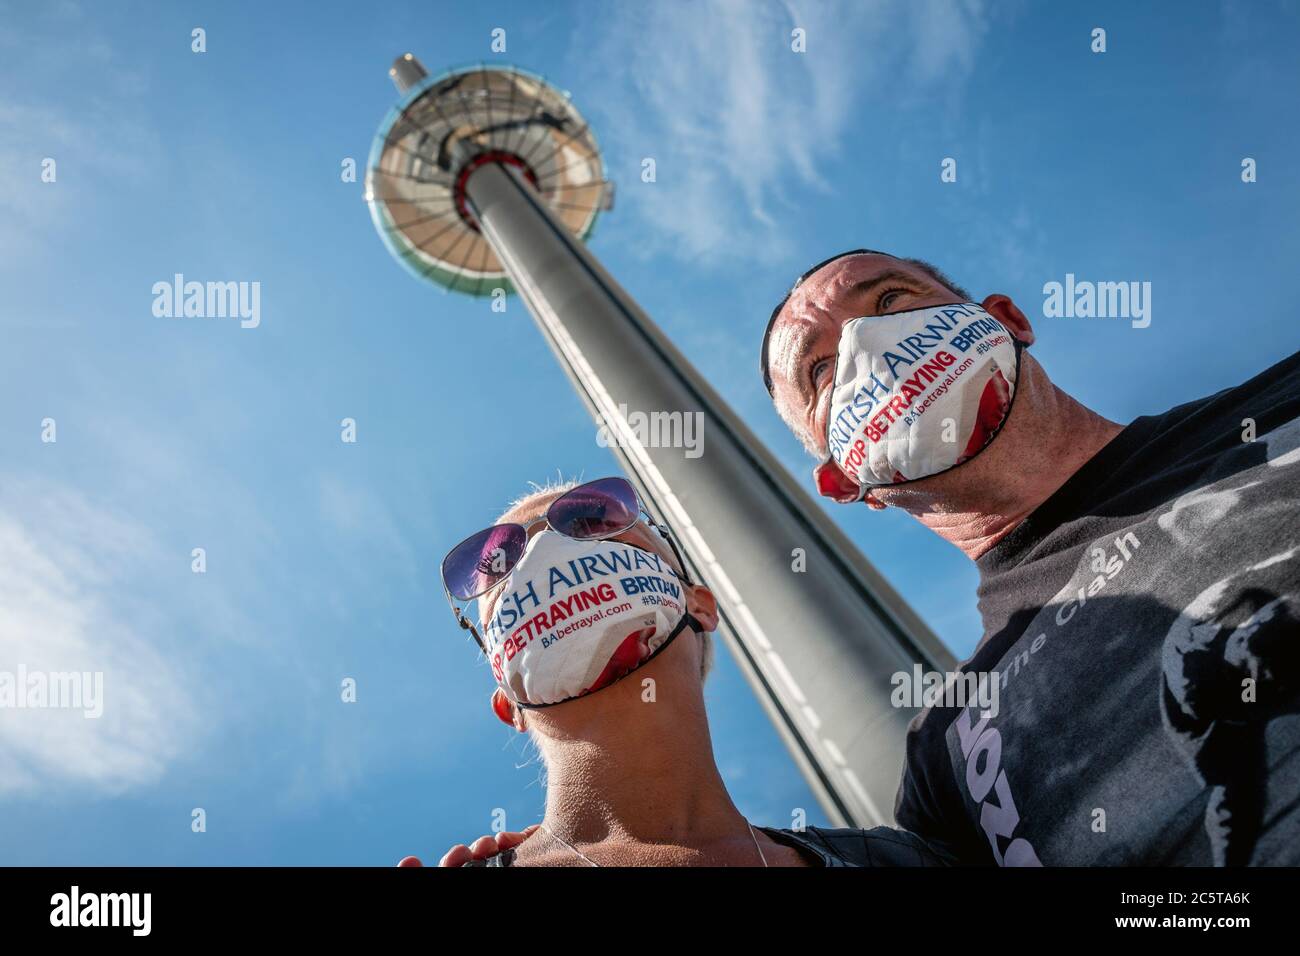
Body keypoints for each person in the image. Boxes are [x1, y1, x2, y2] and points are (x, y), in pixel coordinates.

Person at [760, 249, 1300, 865]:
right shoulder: (950, 756)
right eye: (822, 370)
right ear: (845, 484)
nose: (870, 348)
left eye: (890, 300)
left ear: (1006, 320)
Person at [408, 476, 948, 867]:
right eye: (499, 564)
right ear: (508, 701)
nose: (546, 551)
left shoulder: (904, 859)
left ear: (700, 605)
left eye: (591, 520)